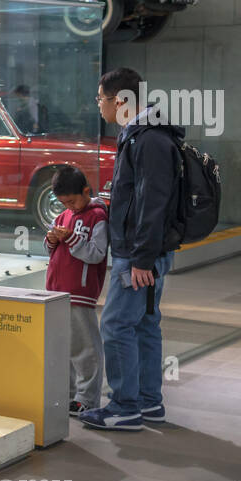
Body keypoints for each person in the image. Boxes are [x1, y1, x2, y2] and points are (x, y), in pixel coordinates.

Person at [81, 68, 182, 431]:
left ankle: (123, 406)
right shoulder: (142, 134)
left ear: (120, 100)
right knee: (143, 324)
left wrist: (141, 258)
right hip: (143, 250)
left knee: (117, 324)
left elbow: (153, 202)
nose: (99, 105)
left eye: (101, 99)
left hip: (139, 254)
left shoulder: (149, 139)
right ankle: (147, 402)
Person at [44, 165, 108, 417]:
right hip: (56, 292)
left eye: (71, 201)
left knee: (85, 348)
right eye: (63, 203)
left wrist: (71, 239)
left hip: (80, 292)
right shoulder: (64, 216)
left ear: (85, 191)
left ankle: (87, 398)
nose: (69, 206)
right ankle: (67, 393)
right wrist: (51, 240)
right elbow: (52, 252)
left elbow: (96, 254)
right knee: (63, 346)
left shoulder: (98, 217)